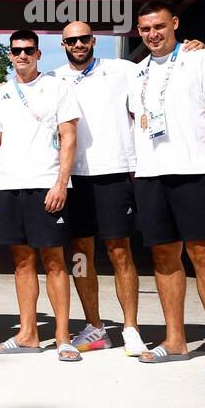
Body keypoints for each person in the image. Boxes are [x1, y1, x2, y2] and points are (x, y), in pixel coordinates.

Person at [127, 2, 205, 374]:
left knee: (204, 254)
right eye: (145, 29)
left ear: (174, 24)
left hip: (197, 173)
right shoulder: (137, 72)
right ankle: (175, 339)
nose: (152, 34)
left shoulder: (201, 60)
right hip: (151, 176)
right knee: (163, 257)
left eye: (159, 26)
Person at [0, 29, 82, 361]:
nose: (22, 55)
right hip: (10, 188)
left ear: (39, 54)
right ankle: (28, 334)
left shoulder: (57, 87)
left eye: (28, 50)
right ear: (9, 55)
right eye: (16, 51)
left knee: (55, 261)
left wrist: (60, 182)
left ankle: (63, 336)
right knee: (22, 262)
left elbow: (69, 137)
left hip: (47, 186)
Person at [50, 22, 147, 357]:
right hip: (74, 179)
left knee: (120, 250)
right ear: (63, 45)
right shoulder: (54, 78)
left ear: (94, 41)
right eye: (71, 40)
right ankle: (94, 326)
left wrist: (191, 48)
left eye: (83, 39)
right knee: (79, 255)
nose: (78, 44)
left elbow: (159, 77)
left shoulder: (124, 70)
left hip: (114, 173)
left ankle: (131, 328)